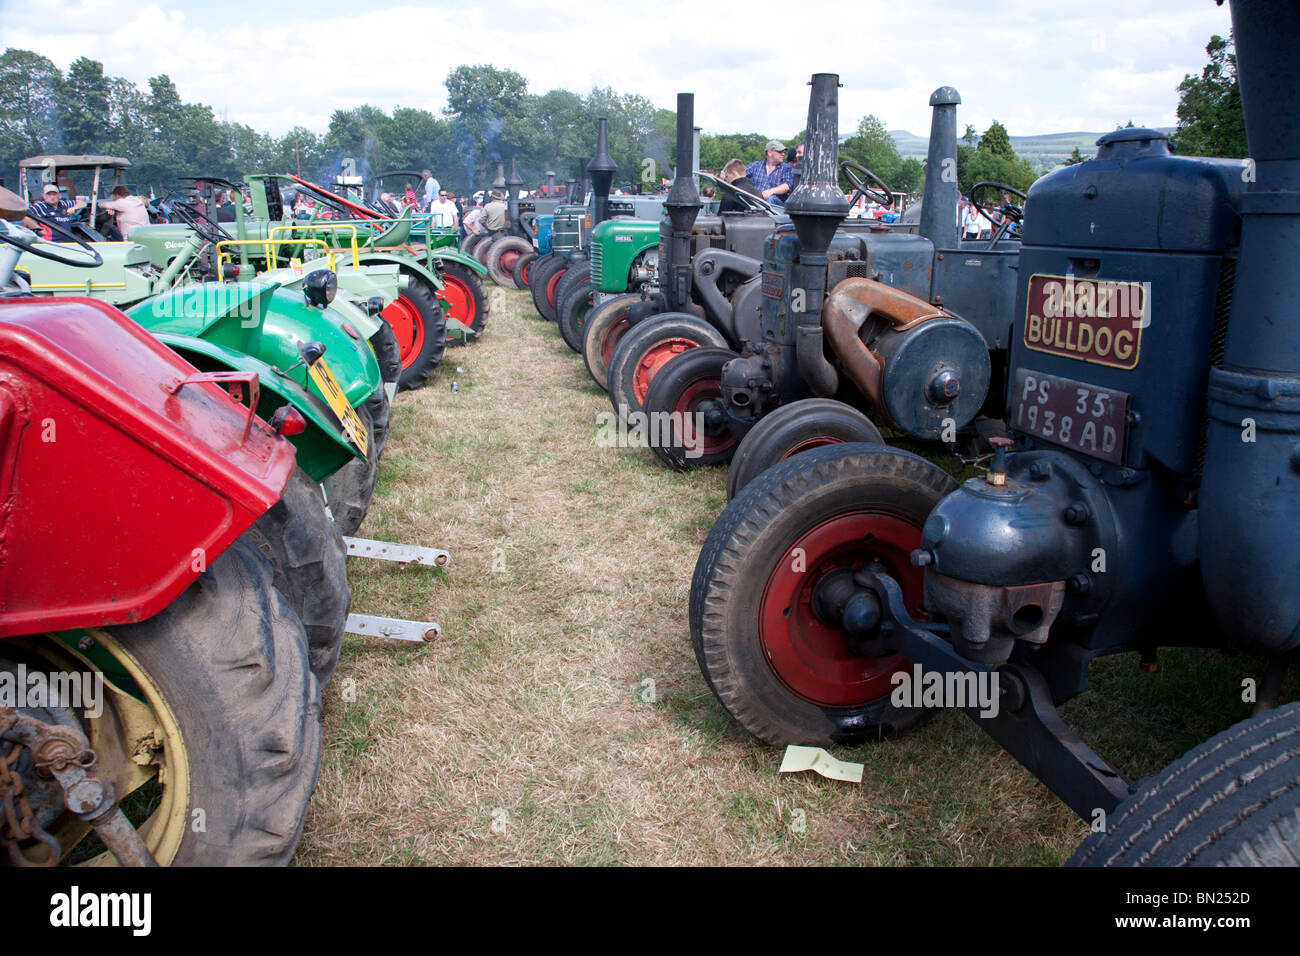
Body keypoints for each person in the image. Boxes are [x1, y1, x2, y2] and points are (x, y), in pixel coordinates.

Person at [745, 139, 795, 206]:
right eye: (780, 151)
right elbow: (740, 174)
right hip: (755, 201)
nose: (783, 154)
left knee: (770, 199)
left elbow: (787, 186)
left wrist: (770, 192)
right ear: (769, 152)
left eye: (784, 152)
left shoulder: (786, 168)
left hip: (776, 207)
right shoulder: (755, 166)